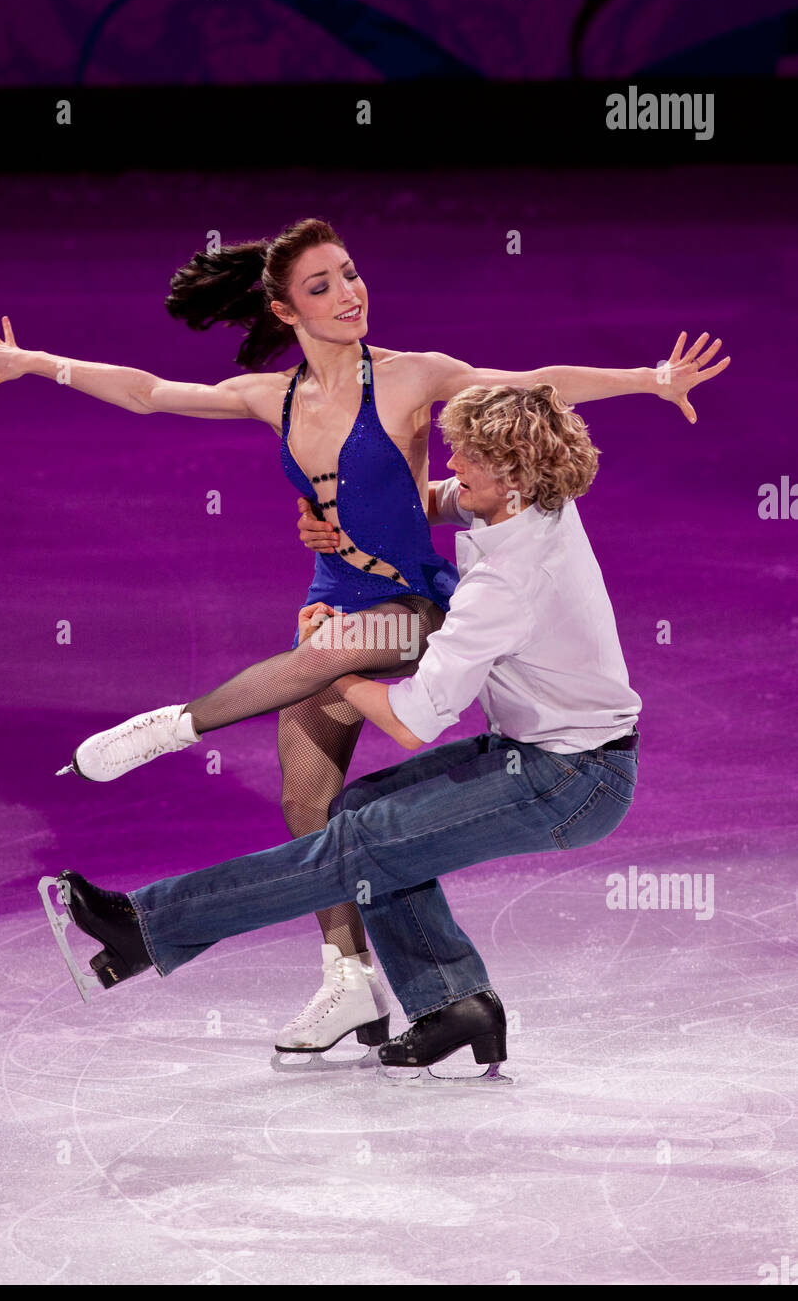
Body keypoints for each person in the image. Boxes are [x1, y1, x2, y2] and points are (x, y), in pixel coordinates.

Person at [0, 217, 728, 1055]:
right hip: (340, 593)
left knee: (334, 727)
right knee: (317, 800)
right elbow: (152, 392)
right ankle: (360, 984)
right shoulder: (281, 399)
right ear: (285, 310)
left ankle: (172, 740)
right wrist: (39, 363)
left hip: (409, 608)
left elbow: (533, 384)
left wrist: (652, 378)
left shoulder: (416, 384)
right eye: (323, 285)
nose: (349, 293)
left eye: (352, 274)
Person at [47, 379, 656, 1076]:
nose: (454, 468)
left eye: (468, 459)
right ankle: (451, 1002)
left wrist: (331, 664)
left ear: (513, 473)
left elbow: (410, 721)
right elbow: (425, 503)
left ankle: (148, 928)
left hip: (572, 779)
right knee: (361, 810)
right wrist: (339, 530)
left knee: (359, 847)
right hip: (544, 752)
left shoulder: (507, 584)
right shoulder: (536, 502)